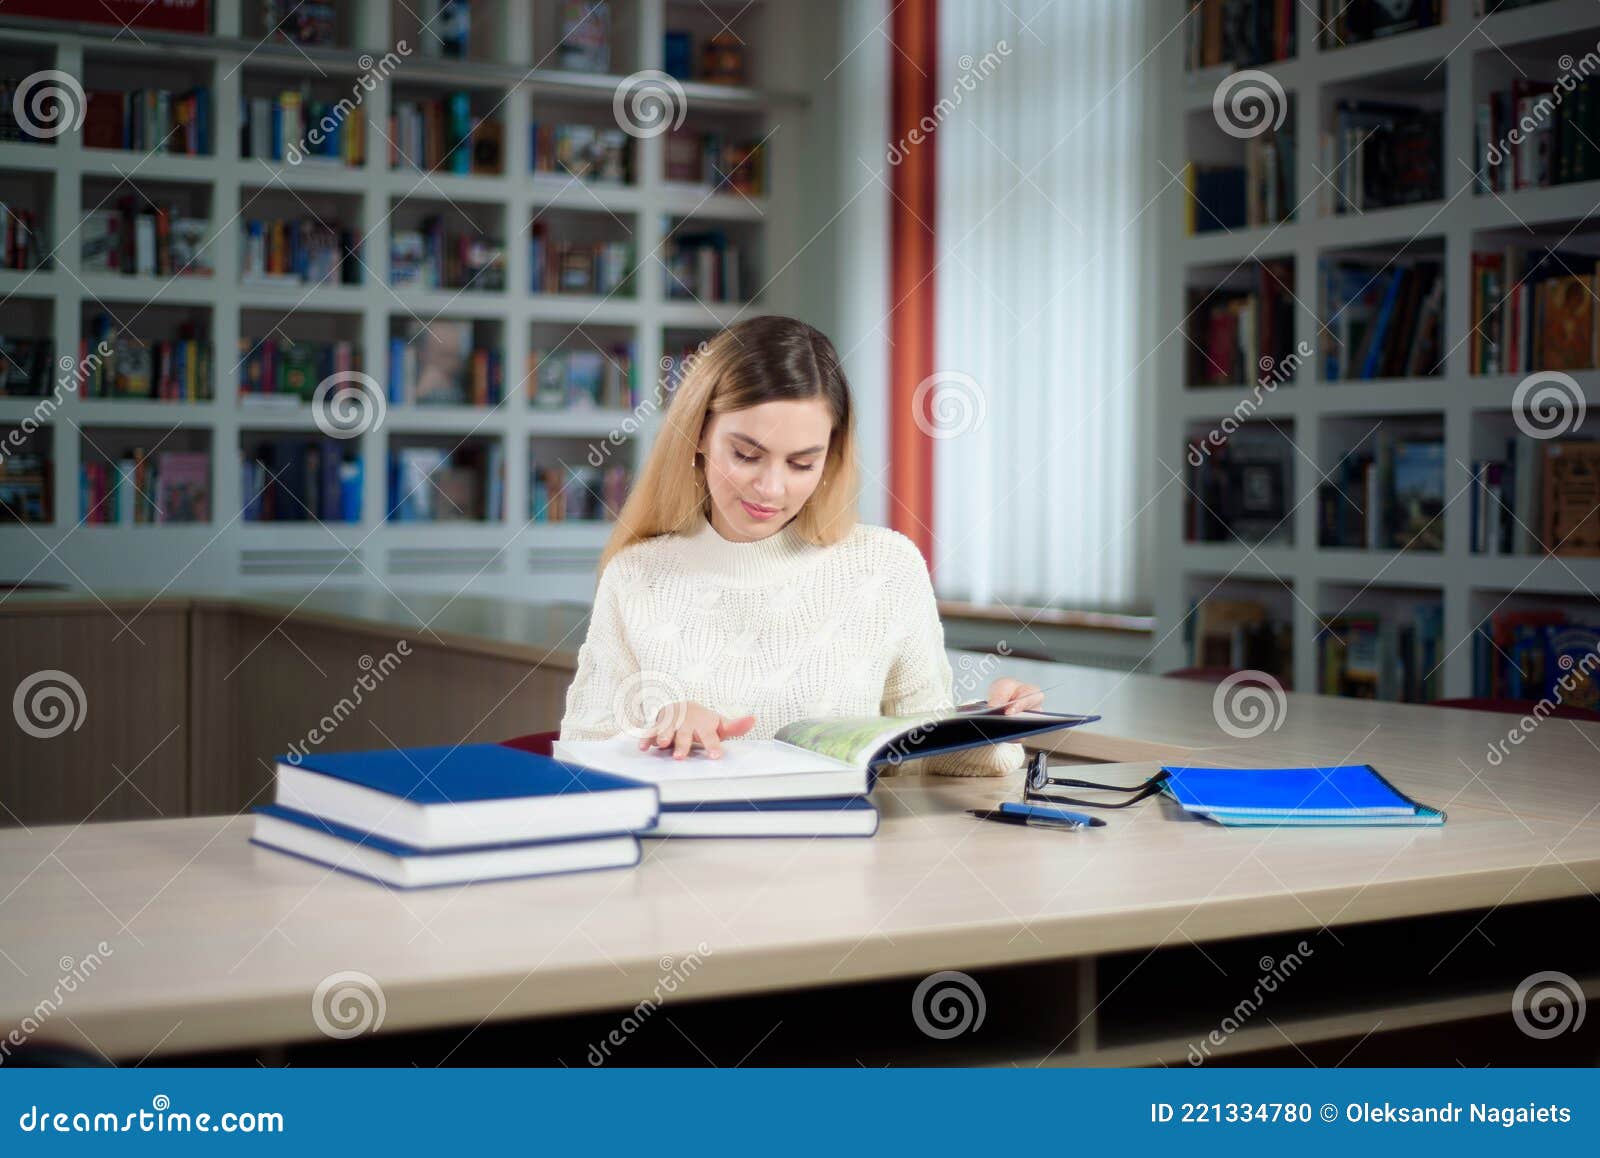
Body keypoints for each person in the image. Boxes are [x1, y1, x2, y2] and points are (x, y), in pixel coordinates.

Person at [559, 315, 1042, 776]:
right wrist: (659, 732)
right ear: (699, 434)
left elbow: (926, 749)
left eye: (801, 464)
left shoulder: (886, 567)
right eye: (747, 455)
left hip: (846, 850)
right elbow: (581, 752)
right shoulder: (637, 575)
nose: (770, 489)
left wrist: (995, 725)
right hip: (684, 853)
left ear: (830, 458)